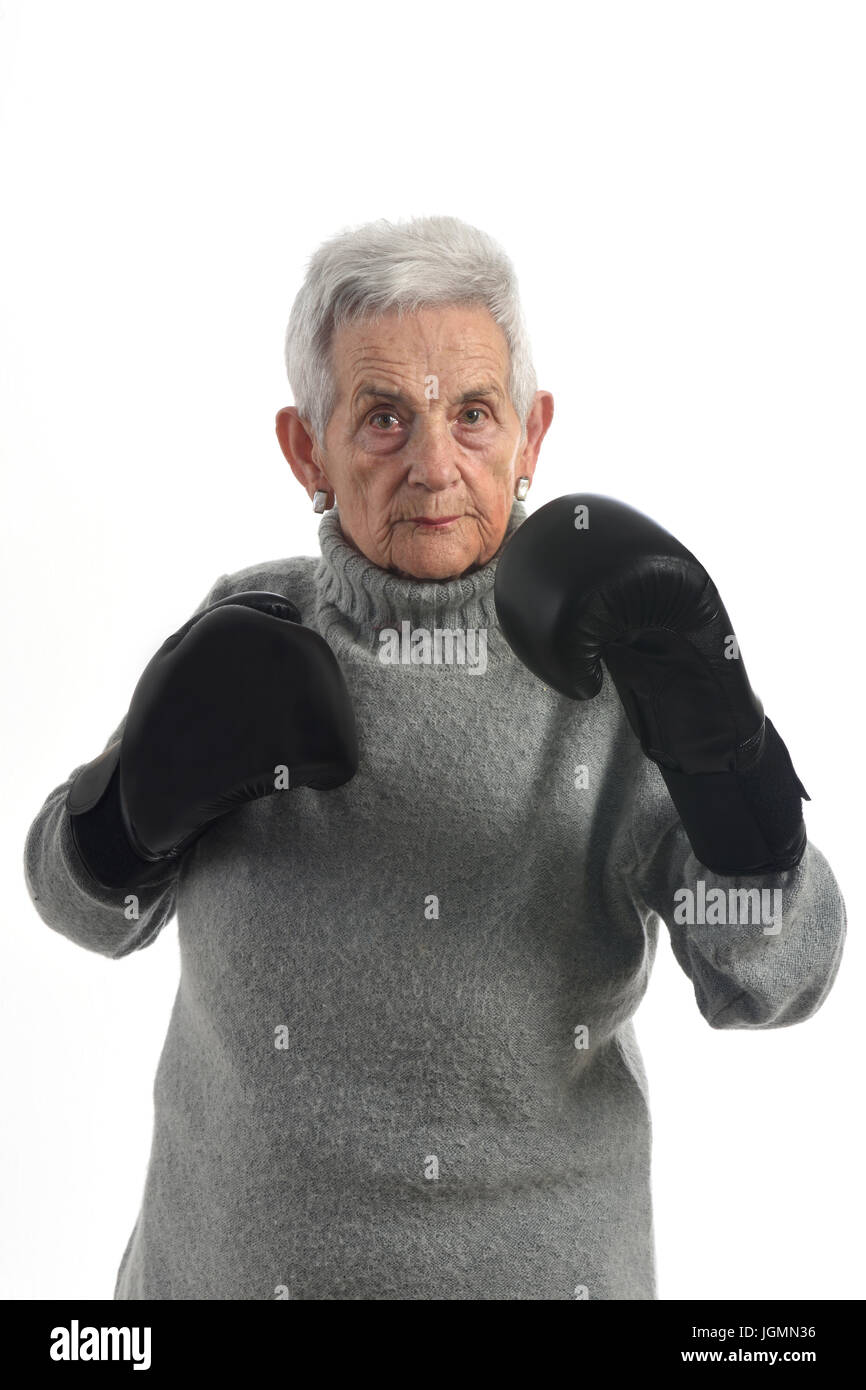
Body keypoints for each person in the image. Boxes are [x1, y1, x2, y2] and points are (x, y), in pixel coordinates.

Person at [23, 215, 846, 1300]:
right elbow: (79, 908)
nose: (433, 464)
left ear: (531, 435)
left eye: (470, 414)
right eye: (380, 418)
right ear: (303, 447)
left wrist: (729, 761)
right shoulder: (250, 629)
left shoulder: (622, 673)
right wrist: (123, 819)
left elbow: (775, 977)